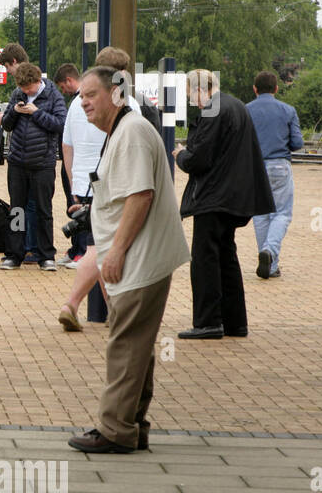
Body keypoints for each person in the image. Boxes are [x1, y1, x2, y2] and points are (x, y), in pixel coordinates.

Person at [68, 66, 189, 453]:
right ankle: (131, 424)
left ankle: (114, 429)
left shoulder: (132, 132)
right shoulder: (123, 131)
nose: (83, 102)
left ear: (115, 94)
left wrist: (116, 251)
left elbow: (141, 195)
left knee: (124, 343)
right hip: (140, 256)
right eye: (81, 96)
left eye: (90, 94)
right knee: (136, 344)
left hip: (140, 257)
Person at [174, 69, 274, 340]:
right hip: (235, 194)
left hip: (214, 196)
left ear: (199, 89)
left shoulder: (214, 110)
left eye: (191, 96)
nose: (194, 103)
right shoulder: (236, 105)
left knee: (205, 258)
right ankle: (235, 322)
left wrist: (181, 155)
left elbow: (200, 158)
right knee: (226, 256)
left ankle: (208, 321)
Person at [57, 62, 111, 331]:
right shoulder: (125, 104)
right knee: (103, 248)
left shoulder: (75, 105)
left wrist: (73, 183)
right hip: (110, 184)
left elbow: (66, 146)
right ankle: (105, 309)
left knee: (97, 246)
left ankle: (78, 306)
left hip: (84, 183)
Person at [0, 62, 67, 270]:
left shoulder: (54, 96)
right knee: (17, 210)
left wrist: (35, 112)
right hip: (18, 162)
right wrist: (16, 112)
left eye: (30, 88)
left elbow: (60, 124)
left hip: (42, 163)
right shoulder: (17, 94)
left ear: (39, 81)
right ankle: (14, 254)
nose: (27, 92)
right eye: (23, 89)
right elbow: (6, 124)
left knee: (43, 210)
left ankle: (46, 255)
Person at [246, 70, 303, 279]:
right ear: (276, 89)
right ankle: (269, 252)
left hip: (255, 167)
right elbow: (297, 143)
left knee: (260, 214)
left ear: (255, 89)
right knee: (281, 213)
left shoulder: (246, 110)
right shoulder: (288, 110)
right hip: (280, 166)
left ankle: (270, 265)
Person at [52, 64, 83, 261]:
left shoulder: (80, 102)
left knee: (79, 205)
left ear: (69, 81)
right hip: (71, 161)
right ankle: (75, 249)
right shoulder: (75, 102)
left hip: (77, 162)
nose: (63, 92)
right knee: (72, 205)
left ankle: (82, 251)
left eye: (63, 87)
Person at [0, 42, 29, 167]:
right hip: (18, 157)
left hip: (30, 156)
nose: (7, 71)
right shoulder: (17, 91)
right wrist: (7, 115)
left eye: (7, 66)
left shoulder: (39, 89)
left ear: (14, 61)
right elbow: (11, 121)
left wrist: (6, 117)